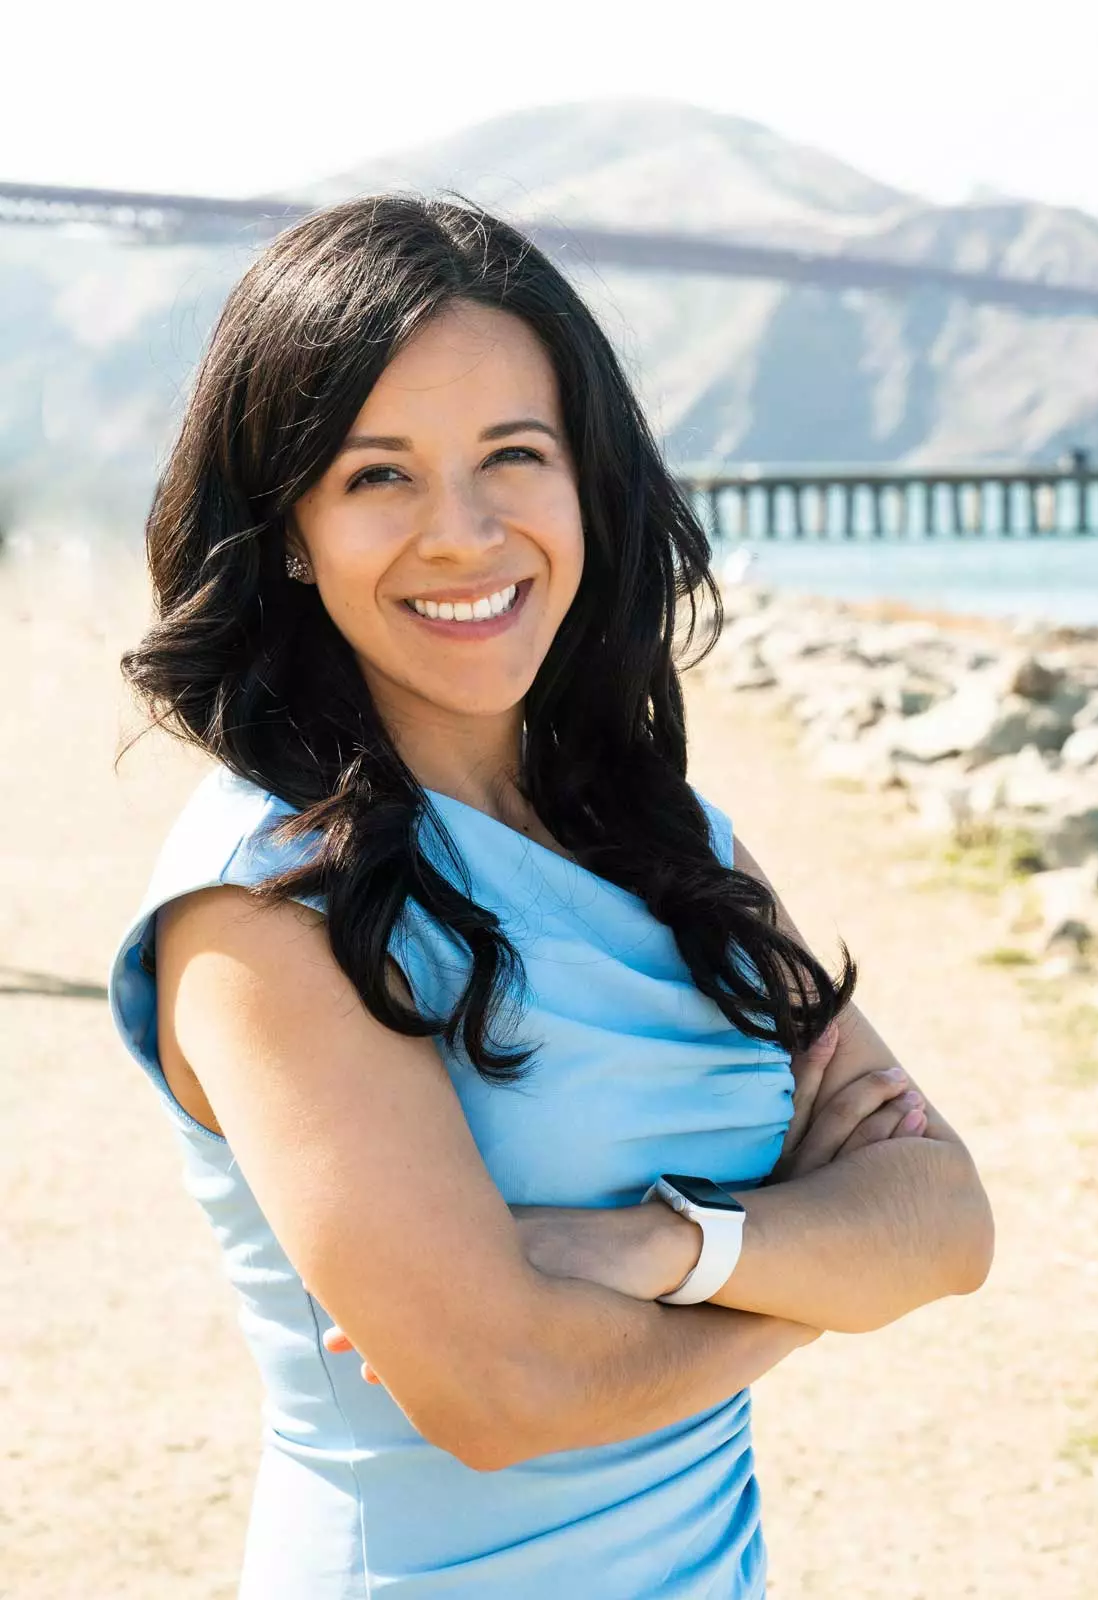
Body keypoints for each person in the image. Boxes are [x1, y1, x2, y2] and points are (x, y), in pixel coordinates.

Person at [107, 195, 994, 1599]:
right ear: (286, 531)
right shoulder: (263, 906)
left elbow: (947, 1222)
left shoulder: (668, 837)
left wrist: (656, 1247)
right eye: (377, 476)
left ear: (588, 481)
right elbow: (498, 1392)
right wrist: (807, 1287)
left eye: (513, 456)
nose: (463, 535)